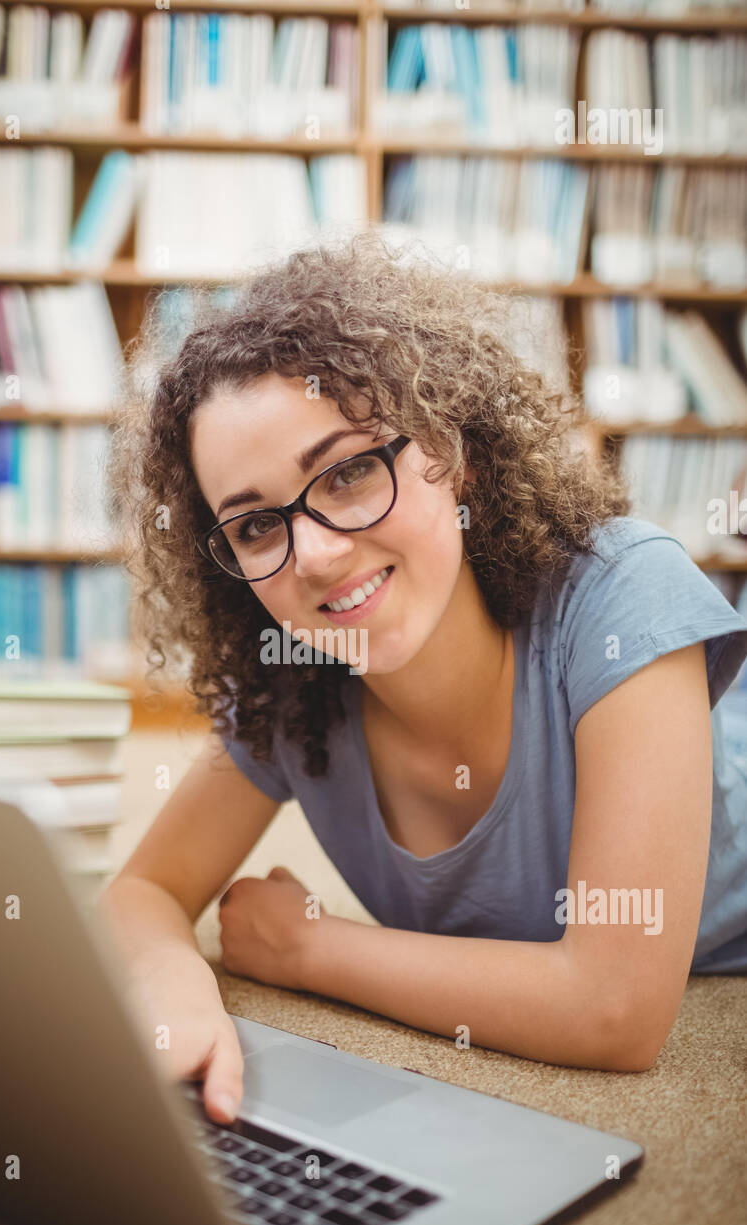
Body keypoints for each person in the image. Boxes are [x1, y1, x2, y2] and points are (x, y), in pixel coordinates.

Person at [102, 231, 747, 1124]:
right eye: (255, 527)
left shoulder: (619, 595)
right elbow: (143, 891)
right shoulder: (293, 689)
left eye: (350, 472)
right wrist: (175, 989)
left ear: (454, 451)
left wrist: (309, 950)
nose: (318, 555)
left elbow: (615, 1008)